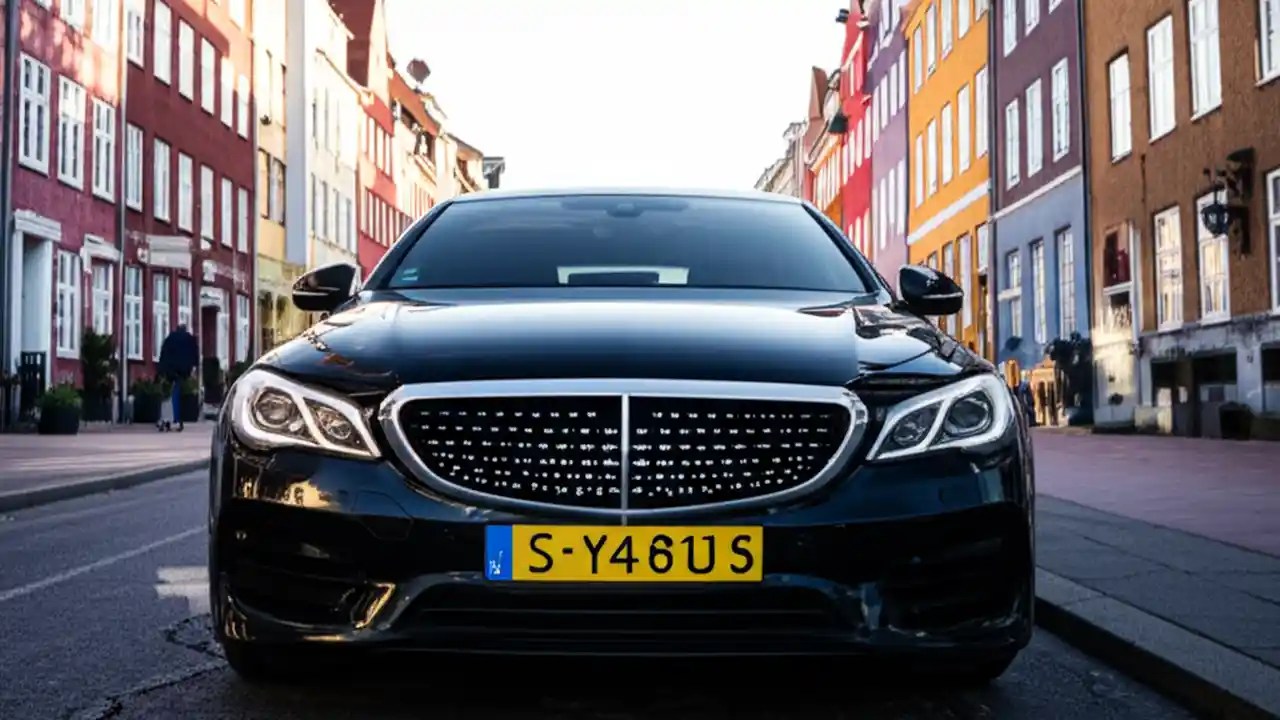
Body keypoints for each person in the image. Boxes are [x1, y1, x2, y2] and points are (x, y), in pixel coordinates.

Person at [156, 324, 199, 432]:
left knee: (167, 395)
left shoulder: (170, 338)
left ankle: (166, 419)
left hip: (169, 370)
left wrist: (161, 370)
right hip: (182, 371)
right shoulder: (189, 339)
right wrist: (192, 370)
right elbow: (194, 355)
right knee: (177, 394)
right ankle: (176, 419)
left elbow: (163, 353)